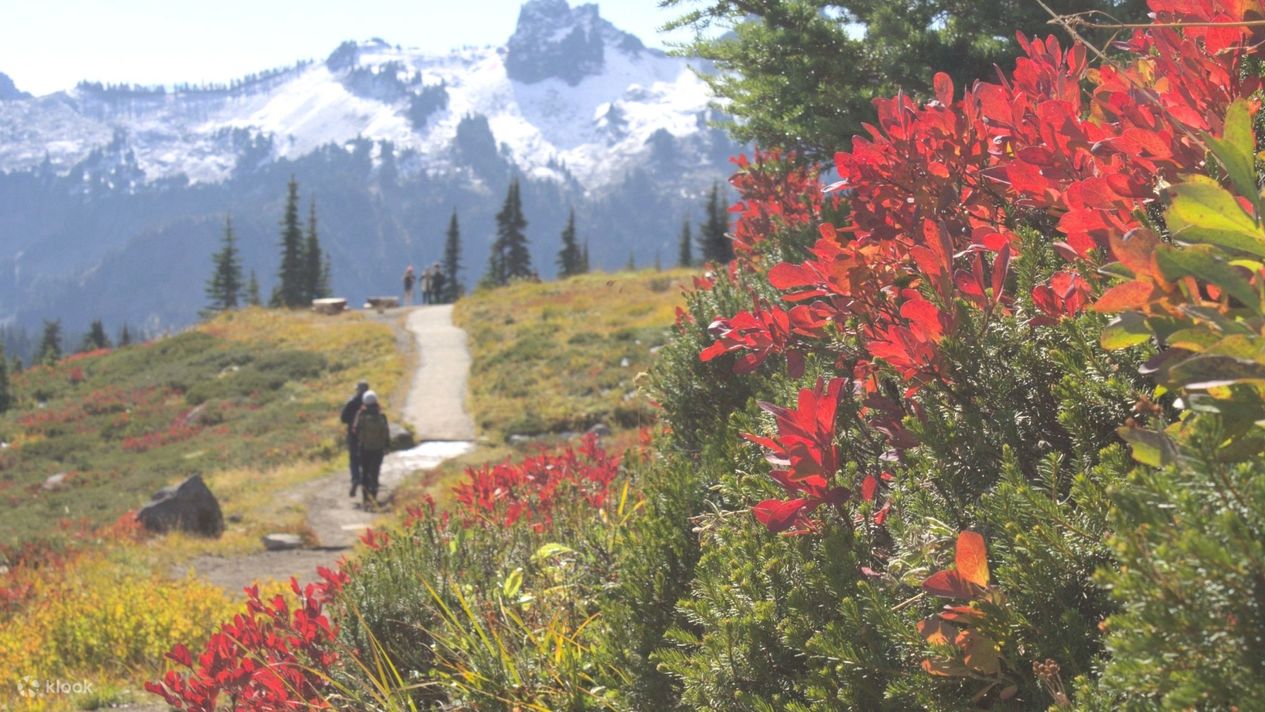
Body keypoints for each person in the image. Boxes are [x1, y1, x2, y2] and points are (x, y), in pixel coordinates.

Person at [352, 390, 390, 508]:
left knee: (365, 472)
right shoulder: (382, 416)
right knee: (375, 472)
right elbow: (386, 433)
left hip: (364, 448)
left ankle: (365, 498)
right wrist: (386, 446)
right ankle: (374, 496)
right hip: (378, 449)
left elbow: (355, 430)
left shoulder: (361, 415)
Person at [340, 380, 369, 497]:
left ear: (358, 390)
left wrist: (351, 422)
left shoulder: (351, 401)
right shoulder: (370, 402)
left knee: (353, 458)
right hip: (368, 436)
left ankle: (355, 479)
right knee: (366, 458)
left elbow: (343, 418)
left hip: (353, 434)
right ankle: (367, 482)